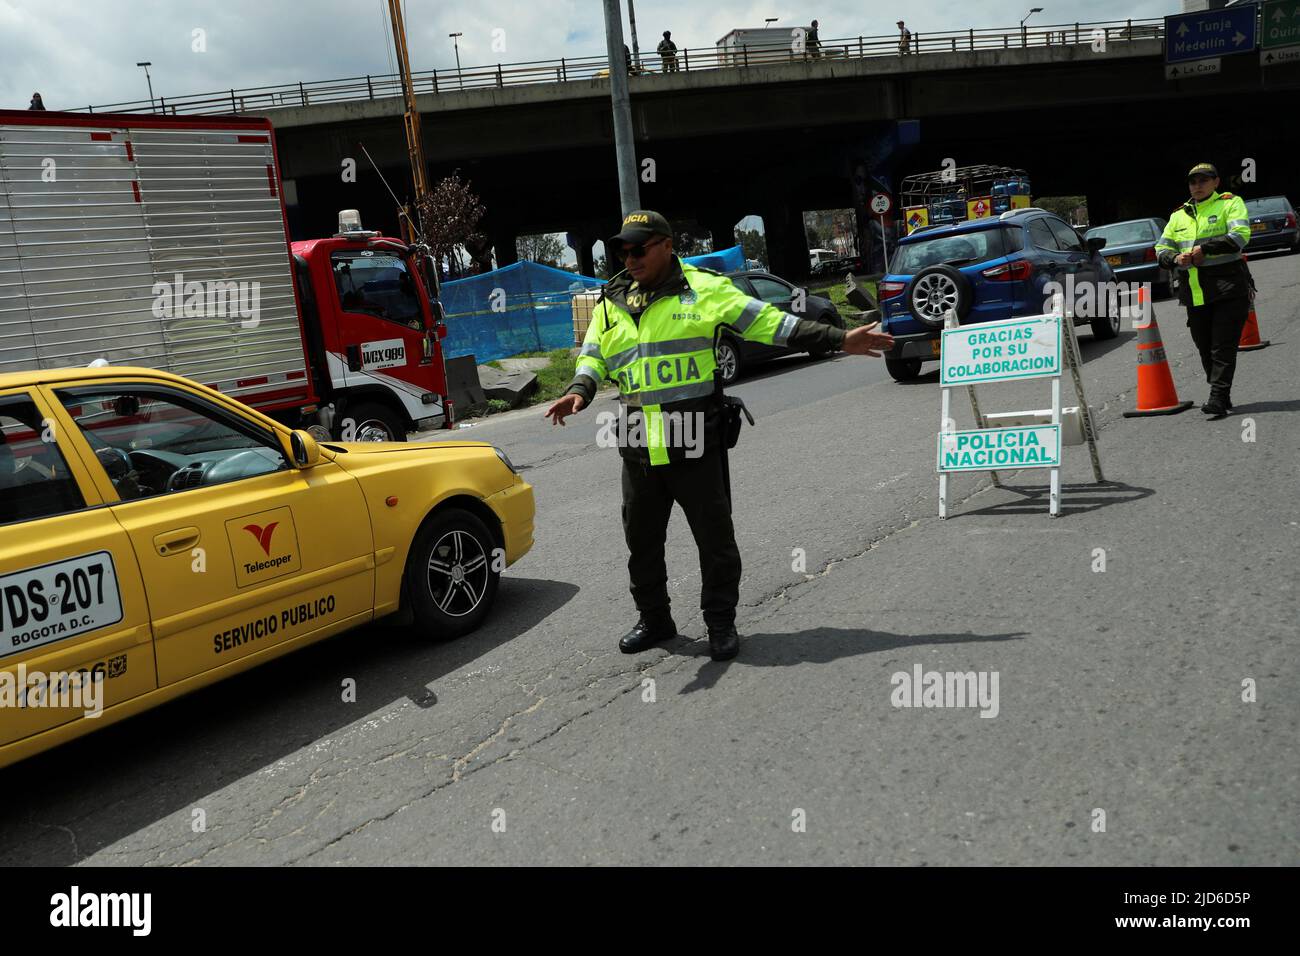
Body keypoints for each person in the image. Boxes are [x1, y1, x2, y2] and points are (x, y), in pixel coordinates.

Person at [544, 210, 895, 661]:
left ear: (667, 246)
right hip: (638, 442)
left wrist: (839, 337)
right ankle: (654, 620)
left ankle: (720, 623)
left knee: (714, 540)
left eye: (639, 249)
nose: (628, 259)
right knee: (641, 542)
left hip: (694, 437)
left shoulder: (706, 290)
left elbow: (773, 324)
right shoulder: (612, 300)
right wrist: (579, 390)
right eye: (622, 251)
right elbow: (594, 355)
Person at [1154, 163, 1253, 419]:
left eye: (1203, 180)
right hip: (1194, 293)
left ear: (1216, 182)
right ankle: (1221, 392)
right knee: (1204, 346)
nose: (1197, 186)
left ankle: (1218, 397)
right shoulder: (1178, 215)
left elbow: (1240, 236)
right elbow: (1161, 249)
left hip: (1229, 288)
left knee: (1222, 346)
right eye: (1193, 182)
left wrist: (1204, 250)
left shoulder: (1230, 203)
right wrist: (1176, 259)